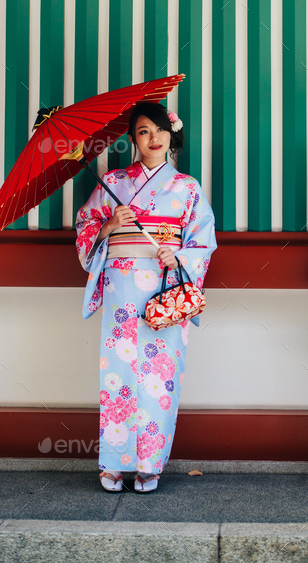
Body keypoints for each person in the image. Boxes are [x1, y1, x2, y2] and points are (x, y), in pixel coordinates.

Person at [75, 101, 216, 493]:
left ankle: (150, 465)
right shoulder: (114, 182)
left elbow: (203, 239)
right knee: (118, 373)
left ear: (172, 135)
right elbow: (87, 222)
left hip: (164, 285)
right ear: (133, 139)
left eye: (159, 130)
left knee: (160, 375)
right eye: (142, 131)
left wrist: (181, 255)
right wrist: (108, 227)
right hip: (122, 288)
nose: (152, 138)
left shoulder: (187, 187)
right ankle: (114, 463)